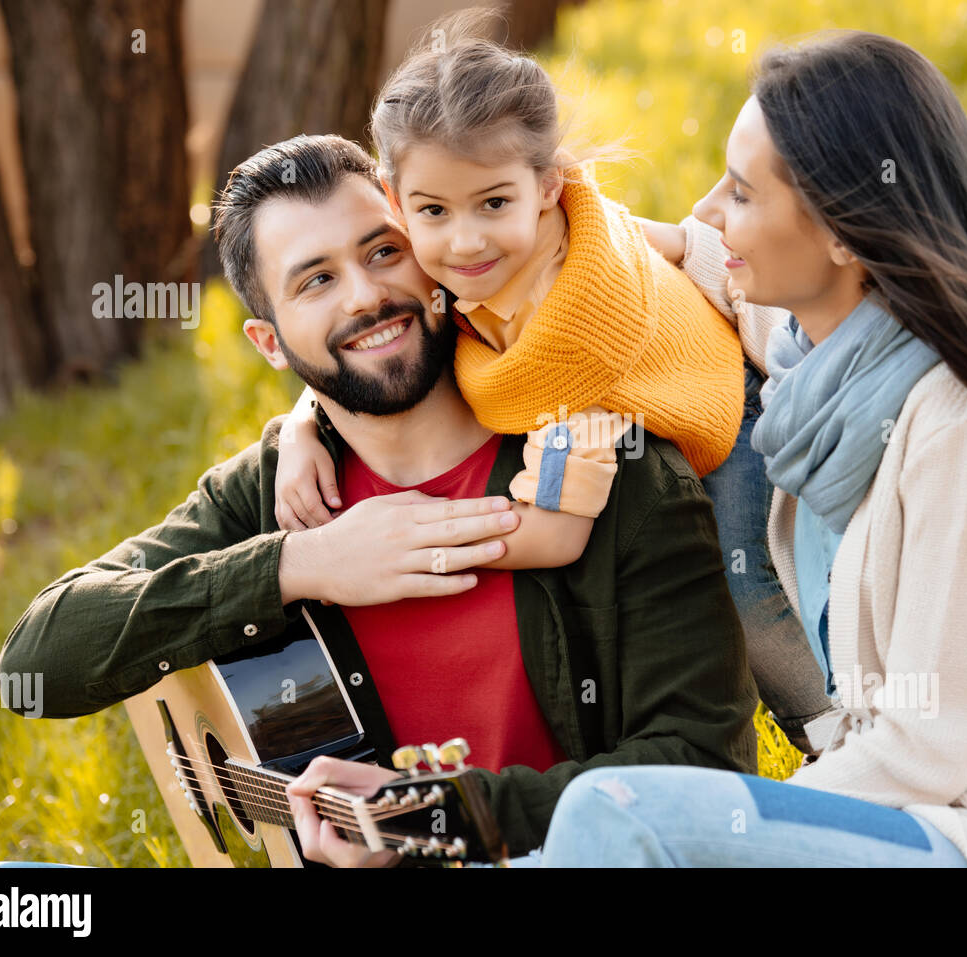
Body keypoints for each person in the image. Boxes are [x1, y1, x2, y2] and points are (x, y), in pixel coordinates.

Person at [536, 30, 967, 868]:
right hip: (926, 822)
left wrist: (732, 829)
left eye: (741, 194)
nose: (708, 210)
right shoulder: (829, 357)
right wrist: (319, 423)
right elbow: (708, 271)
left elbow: (918, 751)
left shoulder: (964, 415)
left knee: (617, 814)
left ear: (846, 234)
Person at [0, 133, 759, 866]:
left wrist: (438, 813)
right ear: (270, 343)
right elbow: (37, 660)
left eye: (383, 251)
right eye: (316, 279)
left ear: (434, 260)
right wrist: (302, 565)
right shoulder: (274, 493)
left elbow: (702, 768)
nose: (368, 296)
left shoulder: (607, 469)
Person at [273, 8, 835, 745]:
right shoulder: (513, 250)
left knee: (749, 588)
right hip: (675, 332)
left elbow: (560, 535)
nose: (465, 241)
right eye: (432, 210)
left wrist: (408, 548)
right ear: (392, 196)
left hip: (728, 412)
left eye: (493, 204)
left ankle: (831, 726)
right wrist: (302, 423)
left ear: (548, 185)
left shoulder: (568, 345)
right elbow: (378, 346)